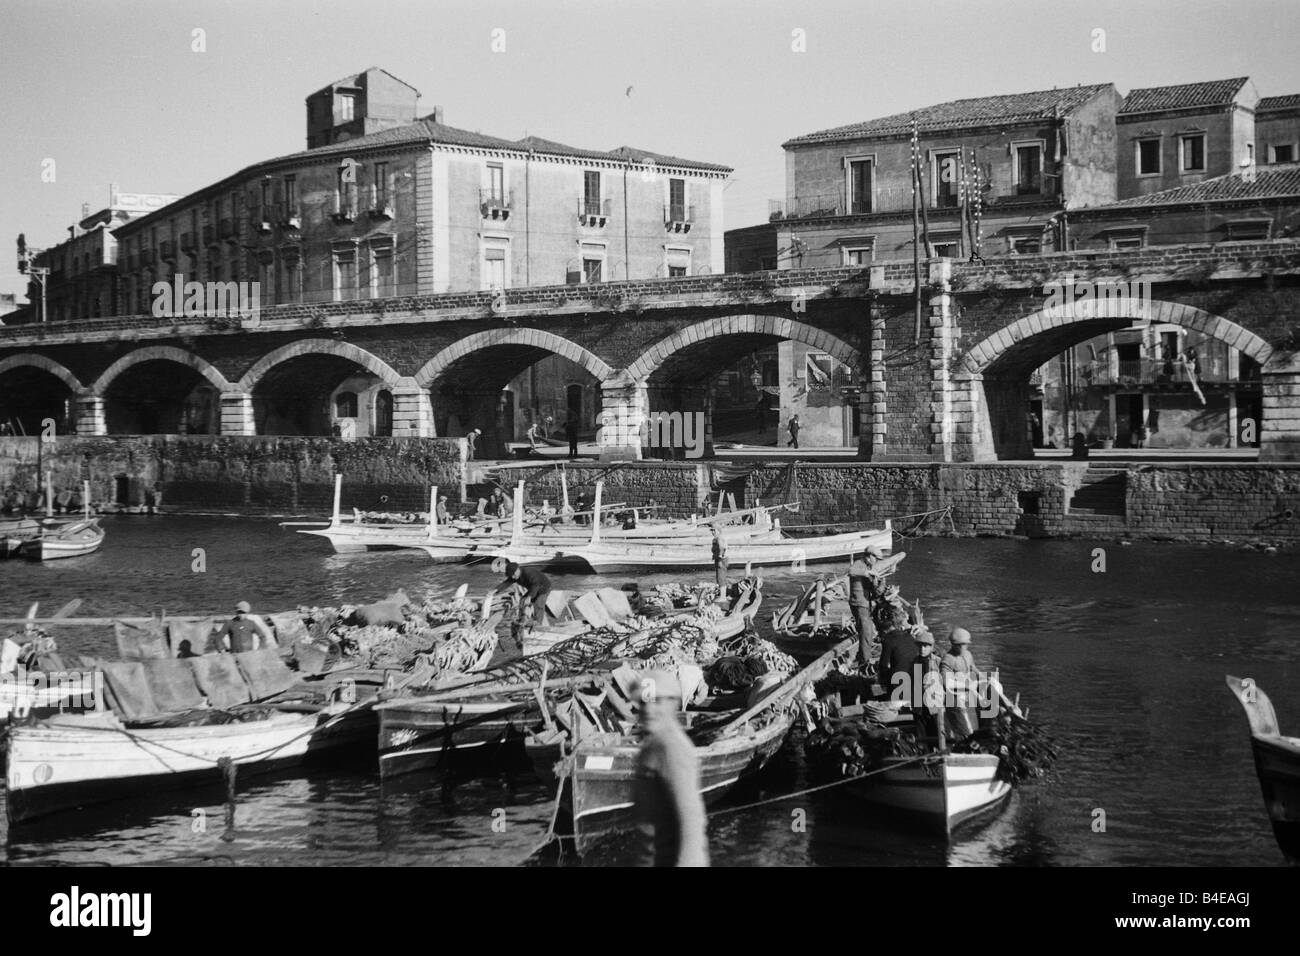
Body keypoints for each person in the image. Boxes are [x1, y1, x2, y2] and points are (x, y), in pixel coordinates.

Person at [630, 669, 709, 867]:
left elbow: (691, 819)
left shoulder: (670, 747)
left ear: (673, 703)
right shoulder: (653, 744)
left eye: (657, 701)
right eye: (643, 702)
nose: (648, 709)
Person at [940, 626, 979, 742]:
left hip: (967, 698)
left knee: (975, 730)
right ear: (953, 644)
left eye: (965, 644)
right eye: (959, 645)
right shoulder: (948, 659)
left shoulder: (968, 655)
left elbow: (973, 669)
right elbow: (947, 683)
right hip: (954, 700)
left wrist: (985, 677)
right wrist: (967, 686)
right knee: (965, 732)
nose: (962, 647)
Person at [906, 628, 944, 748]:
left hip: (934, 704)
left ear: (931, 647)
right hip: (918, 704)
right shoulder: (913, 663)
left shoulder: (938, 662)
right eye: (920, 646)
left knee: (936, 734)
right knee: (921, 735)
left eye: (926, 646)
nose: (923, 649)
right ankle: (924, 754)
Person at [848, 547, 885, 668]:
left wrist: (879, 581)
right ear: (869, 556)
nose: (877, 561)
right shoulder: (859, 564)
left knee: (866, 631)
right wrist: (868, 573)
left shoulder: (870, 567)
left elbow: (875, 591)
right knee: (866, 632)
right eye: (876, 558)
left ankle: (861, 655)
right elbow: (851, 571)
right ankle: (864, 661)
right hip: (858, 603)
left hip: (866, 604)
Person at [494, 560, 552, 628]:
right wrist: (496, 590)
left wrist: (529, 597)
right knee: (522, 601)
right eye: (511, 576)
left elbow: (536, 584)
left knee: (538, 604)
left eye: (513, 575)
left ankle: (538, 624)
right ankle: (522, 619)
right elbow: (507, 583)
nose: (512, 577)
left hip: (544, 587)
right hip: (533, 588)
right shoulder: (515, 576)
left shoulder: (528, 572)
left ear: (517, 570)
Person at [876, 605, 917, 696]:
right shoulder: (910, 636)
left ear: (884, 630)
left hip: (901, 683)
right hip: (916, 680)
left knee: (884, 674)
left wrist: (883, 682)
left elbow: (883, 666)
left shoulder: (888, 640)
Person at [711, 525, 729, 599]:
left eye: (714, 530)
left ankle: (722, 597)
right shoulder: (716, 538)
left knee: (721, 577)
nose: (712, 532)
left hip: (721, 560)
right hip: (718, 559)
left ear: (719, 531)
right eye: (712, 530)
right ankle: (722, 595)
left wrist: (720, 559)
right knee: (720, 577)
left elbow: (722, 548)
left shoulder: (719, 538)